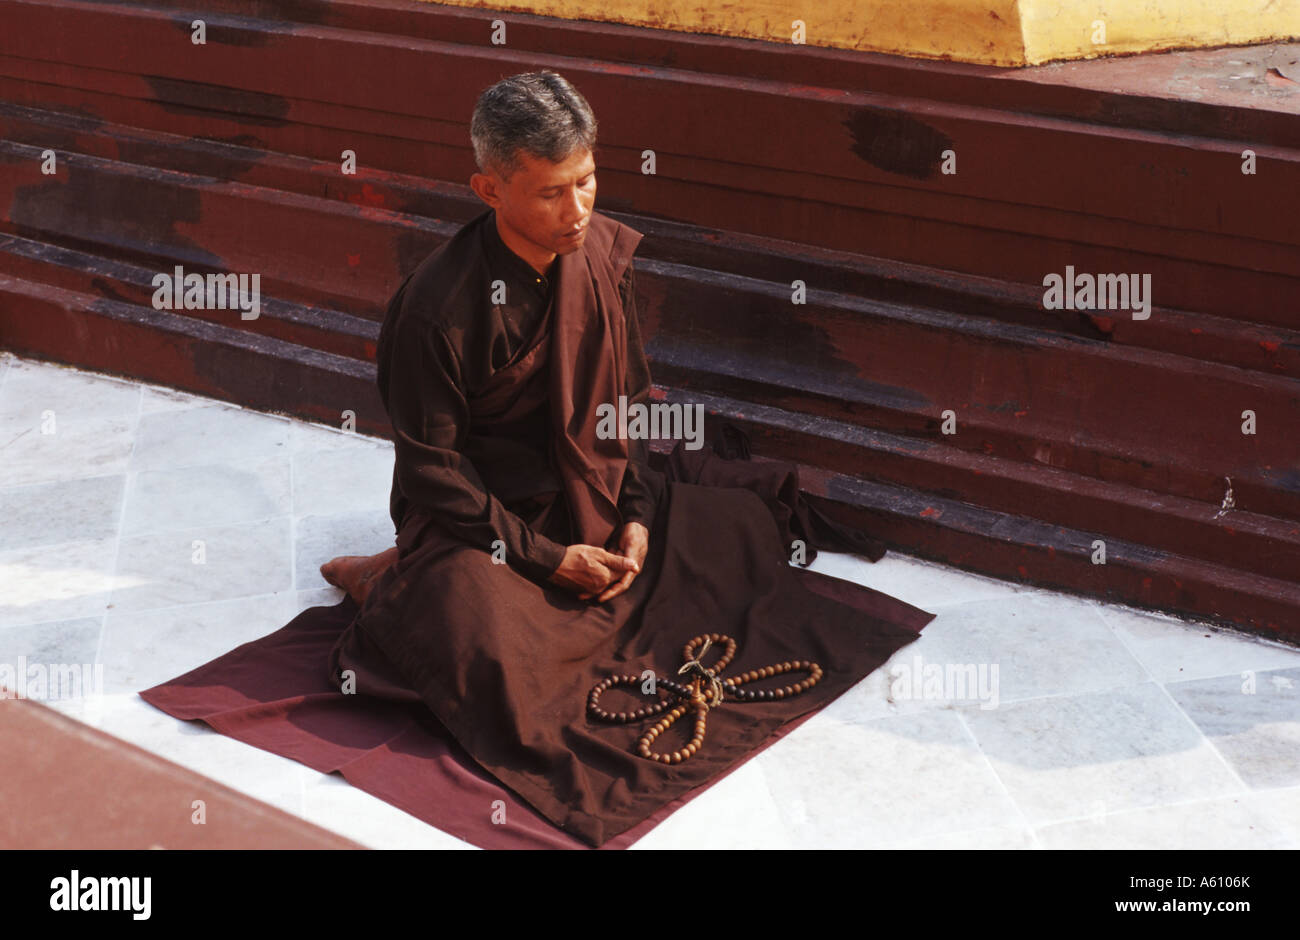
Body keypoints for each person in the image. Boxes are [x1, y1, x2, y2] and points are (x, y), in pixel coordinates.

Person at [318, 70, 935, 847]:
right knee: (474, 630)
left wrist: (634, 515)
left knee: (735, 534)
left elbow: (626, 404)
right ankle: (390, 576)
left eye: (587, 180)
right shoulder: (437, 309)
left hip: (591, 489)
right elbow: (433, 471)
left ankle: (437, 570)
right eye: (549, 193)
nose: (577, 211)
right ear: (488, 187)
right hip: (490, 521)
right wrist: (547, 559)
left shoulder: (602, 255)